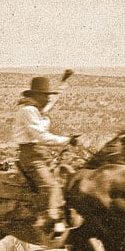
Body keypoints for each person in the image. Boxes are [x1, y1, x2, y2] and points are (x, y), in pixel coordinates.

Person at [12, 73, 78, 238]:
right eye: (45, 95)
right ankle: (48, 222)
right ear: (35, 96)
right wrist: (67, 140)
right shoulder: (28, 111)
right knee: (50, 186)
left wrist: (63, 83)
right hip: (31, 155)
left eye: (48, 95)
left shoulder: (38, 108)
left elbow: (54, 100)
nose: (48, 99)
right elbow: (41, 136)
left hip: (41, 154)